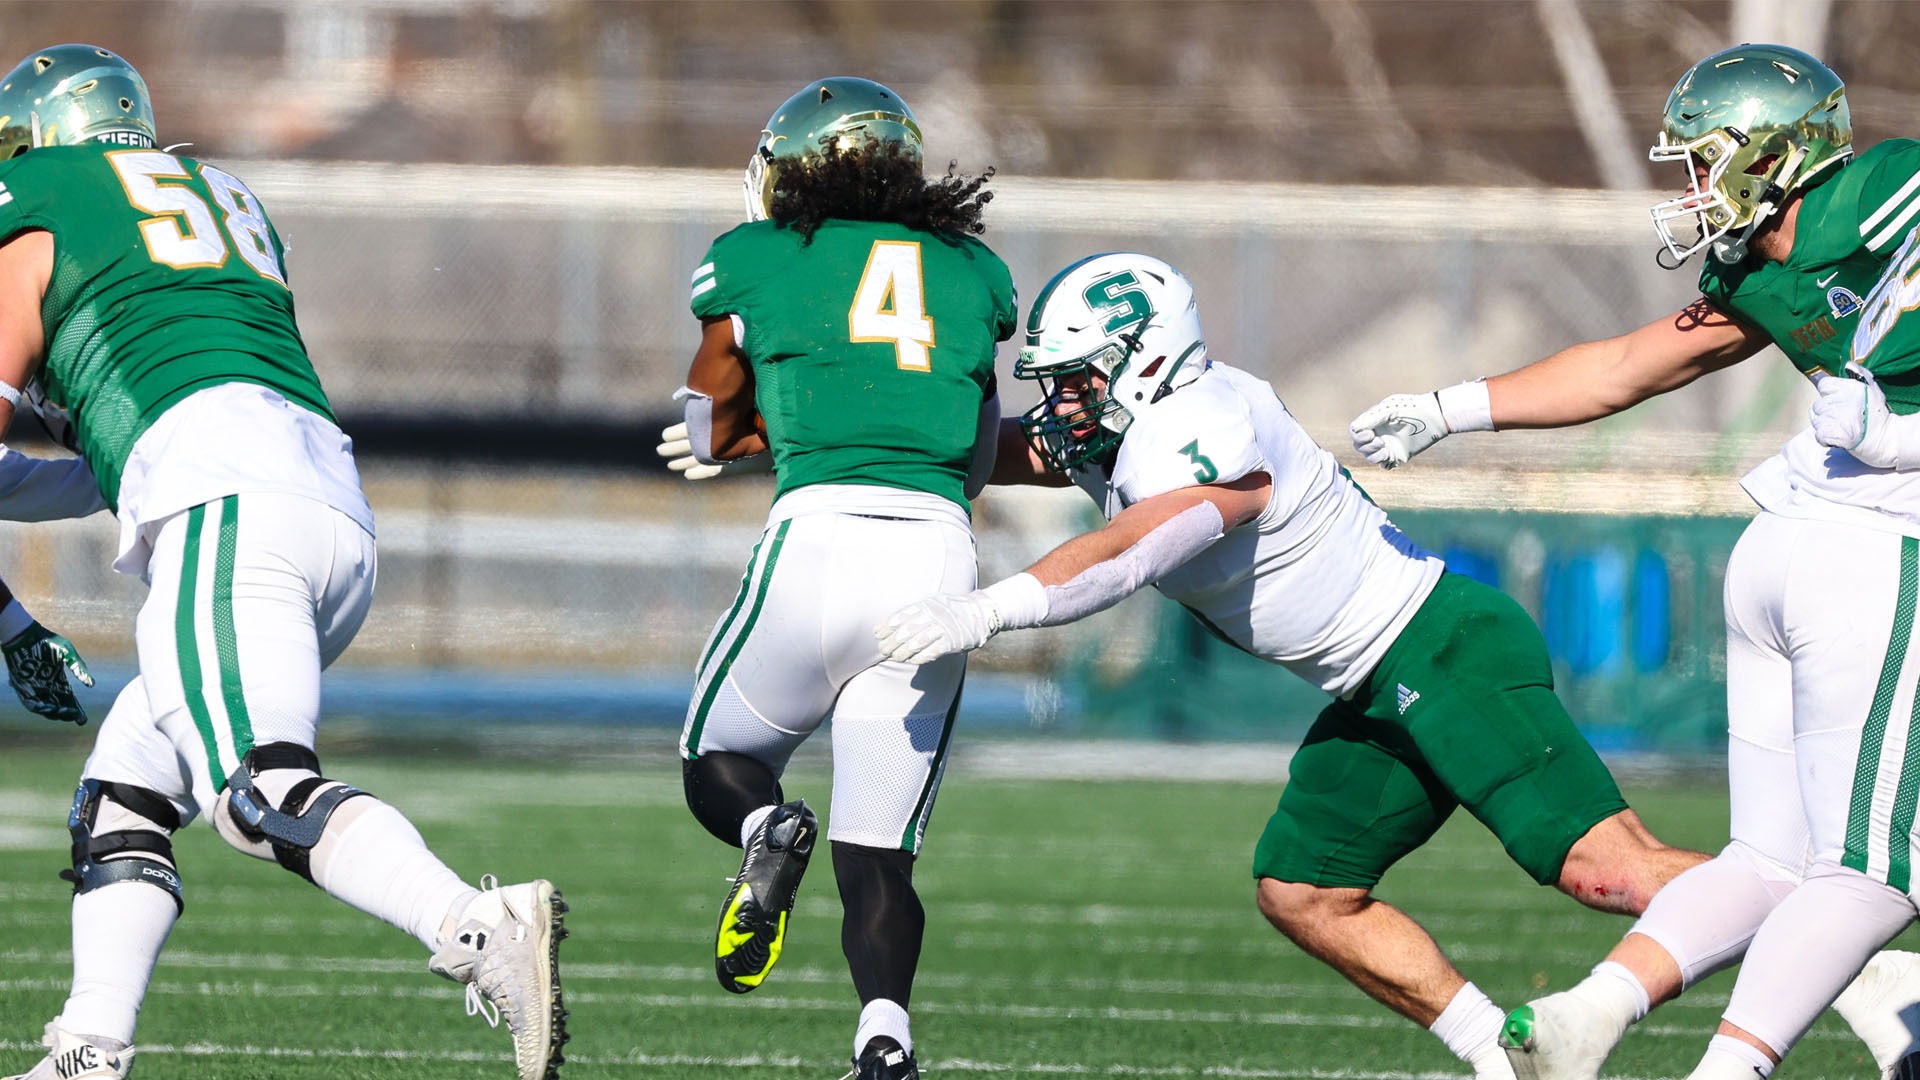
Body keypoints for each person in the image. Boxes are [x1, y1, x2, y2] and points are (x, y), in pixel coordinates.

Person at [871, 250, 1706, 1080]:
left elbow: (1128, 551)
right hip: (1376, 684)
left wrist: (987, 608)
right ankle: (1504, 1059)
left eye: (1078, 380)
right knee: (1304, 888)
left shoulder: (1203, 424)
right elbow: (999, 452)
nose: (1061, 403)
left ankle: (1819, 927)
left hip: (1441, 648)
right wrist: (850, 431)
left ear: (1142, 360)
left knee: (1609, 868)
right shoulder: (1131, 422)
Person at [1347, 41, 1920, 1080]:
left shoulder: (1883, 194)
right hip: (1872, 550)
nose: (1695, 185)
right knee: (1875, 874)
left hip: (1783, 551)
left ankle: (1587, 1014)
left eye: (1707, 160)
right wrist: (1450, 407)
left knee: (1769, 863)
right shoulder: (1758, 263)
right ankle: (1725, 1073)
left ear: (1778, 153)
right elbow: (1621, 367)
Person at [0, 45, 566, 1080]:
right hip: (325, 509)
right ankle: (88, 1054)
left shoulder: (35, 196)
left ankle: (479, 925)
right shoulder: (222, 194)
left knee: (259, 798)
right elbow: (115, 446)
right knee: (123, 800)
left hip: (229, 512)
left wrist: (7, 622)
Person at [656, 77, 1013, 1080]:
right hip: (936, 558)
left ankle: (768, 828)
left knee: (716, 759)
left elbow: (709, 418)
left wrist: (742, 433)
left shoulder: (753, 257)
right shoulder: (972, 269)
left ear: (798, 170)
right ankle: (884, 1039)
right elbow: (974, 454)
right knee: (881, 850)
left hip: (815, 542)